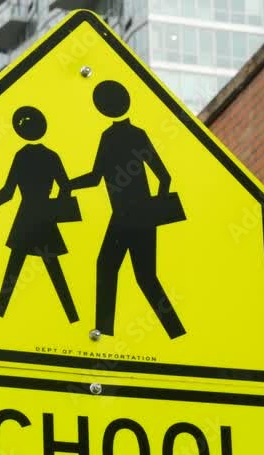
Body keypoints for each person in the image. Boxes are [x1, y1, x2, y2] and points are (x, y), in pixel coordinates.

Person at [66, 80, 186, 339]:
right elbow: (162, 178)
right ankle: (169, 332)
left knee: (124, 272)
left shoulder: (120, 136)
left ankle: (111, 333)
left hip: (131, 217)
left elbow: (97, 178)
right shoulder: (123, 135)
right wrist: (69, 184)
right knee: (133, 274)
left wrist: (155, 211)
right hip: (130, 217)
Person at [0, 105, 79, 323]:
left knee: (14, 269)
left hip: (26, 217)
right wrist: (56, 209)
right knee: (52, 269)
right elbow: (66, 186)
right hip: (44, 216)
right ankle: (72, 317)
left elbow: (8, 192)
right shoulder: (51, 156)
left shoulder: (22, 156)